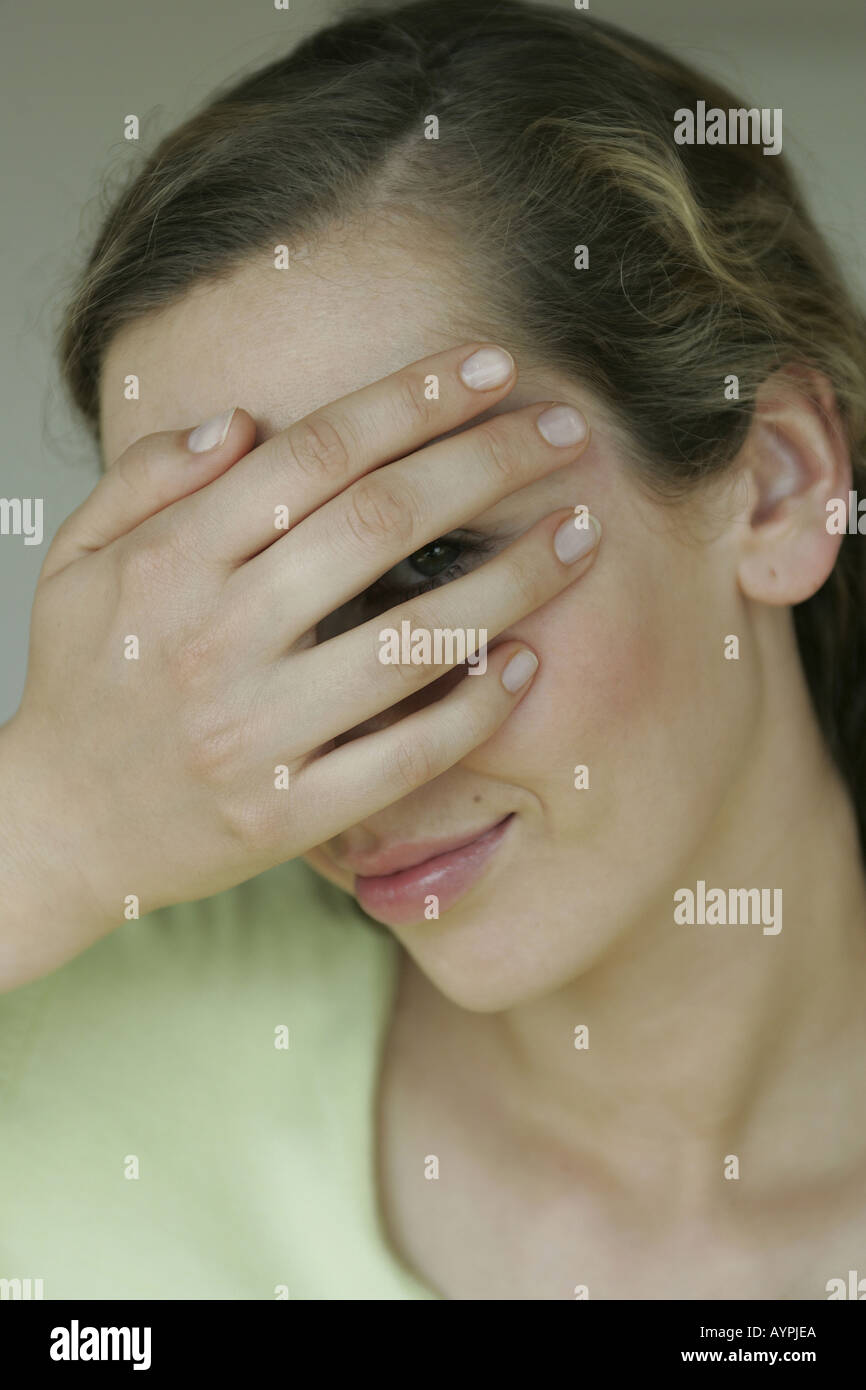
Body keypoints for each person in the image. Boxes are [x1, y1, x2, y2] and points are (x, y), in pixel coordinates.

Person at [1, 0, 865, 1301]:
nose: (318, 747)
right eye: (246, 617)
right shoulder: (65, 1037)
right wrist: (49, 829)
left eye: (423, 562)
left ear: (778, 486)